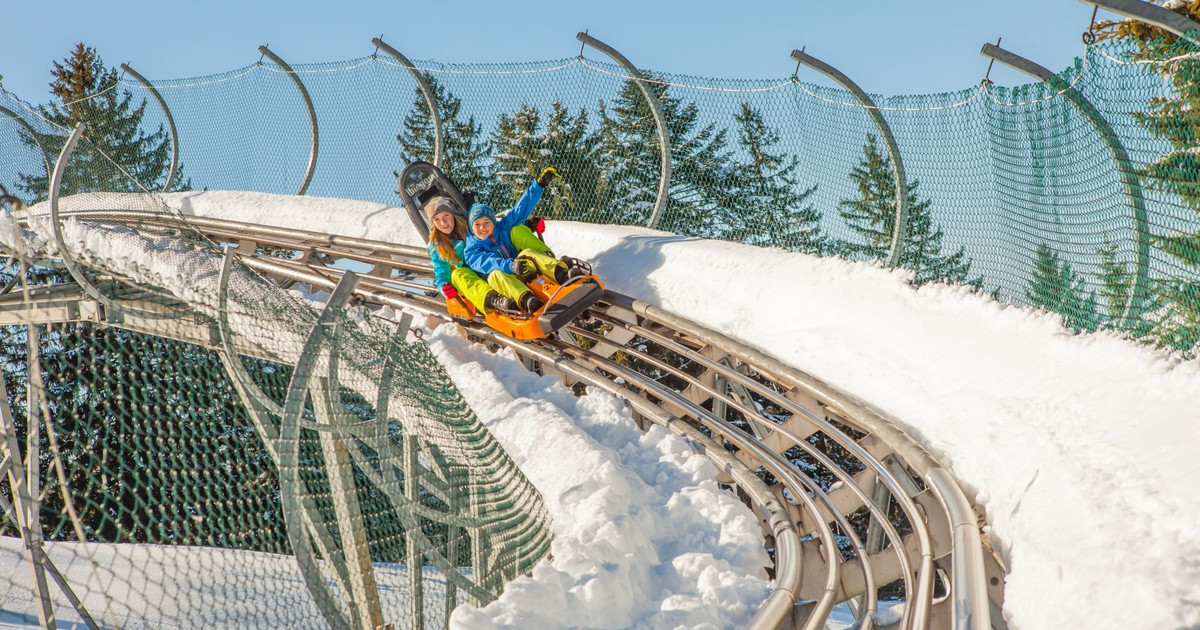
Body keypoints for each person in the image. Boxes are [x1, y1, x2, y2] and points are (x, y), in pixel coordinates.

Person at [465, 167, 579, 313]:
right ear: (471, 228)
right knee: (495, 275)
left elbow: (520, 209)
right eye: (477, 225)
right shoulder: (471, 251)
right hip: (505, 283)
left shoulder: (503, 228)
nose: (483, 228)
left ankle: (561, 273)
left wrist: (538, 185)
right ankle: (527, 300)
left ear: (494, 222)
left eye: (487, 222)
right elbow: (489, 263)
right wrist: (511, 266)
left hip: (520, 269)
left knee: (527, 252)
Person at [425, 196, 519, 314]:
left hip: (491, 266)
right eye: (436, 219)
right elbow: (441, 272)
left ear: (453, 214)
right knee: (457, 274)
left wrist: (529, 225)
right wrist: (443, 287)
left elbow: (495, 227)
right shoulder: (436, 247)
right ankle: (494, 299)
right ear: (432, 223)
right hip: (474, 283)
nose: (443, 222)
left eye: (446, 215)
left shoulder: (471, 224)